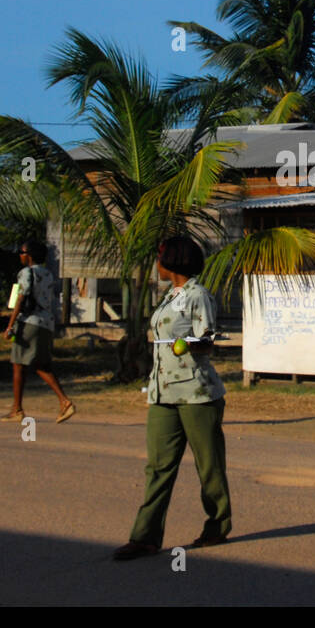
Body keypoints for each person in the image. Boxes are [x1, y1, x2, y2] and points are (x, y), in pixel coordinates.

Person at [113, 236, 231, 560]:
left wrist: (188, 343)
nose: (157, 265)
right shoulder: (170, 296)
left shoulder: (198, 295)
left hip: (197, 393)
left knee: (209, 466)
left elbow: (207, 340)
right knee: (158, 467)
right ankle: (144, 537)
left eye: (160, 259)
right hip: (163, 392)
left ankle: (217, 525)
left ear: (172, 262)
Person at [1, 239, 75, 424]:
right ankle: (20, 407)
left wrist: (10, 325)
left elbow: (21, 298)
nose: (20, 254)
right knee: (40, 363)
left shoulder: (25, 273)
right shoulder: (48, 274)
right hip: (46, 323)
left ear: (30, 255)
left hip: (28, 322)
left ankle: (20, 408)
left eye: (22, 251)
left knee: (20, 363)